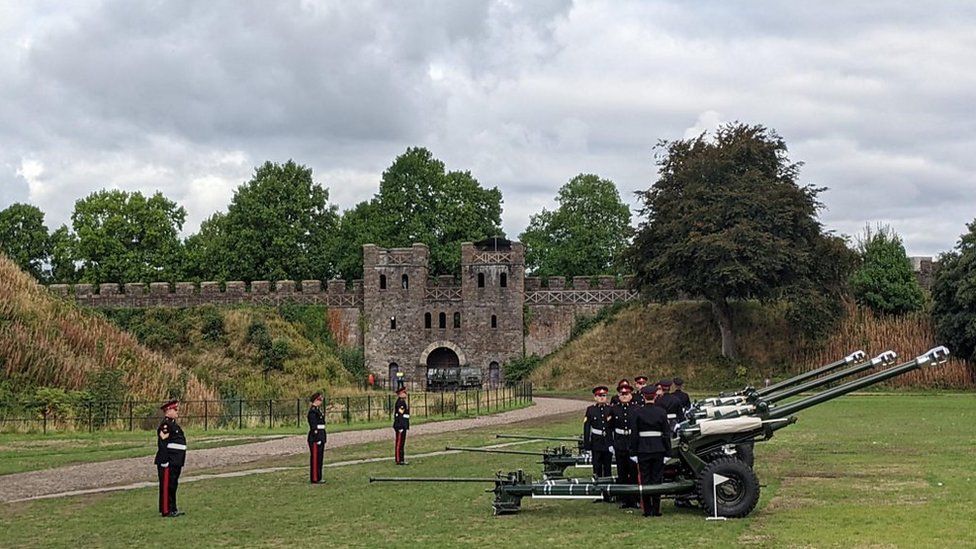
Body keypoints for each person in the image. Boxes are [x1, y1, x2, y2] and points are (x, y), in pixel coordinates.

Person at [630, 386, 671, 517]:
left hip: (643, 449)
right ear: (655, 396)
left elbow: (634, 435)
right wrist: (668, 452)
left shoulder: (637, 412)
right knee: (657, 479)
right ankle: (656, 509)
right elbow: (666, 434)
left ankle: (647, 510)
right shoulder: (661, 412)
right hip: (659, 448)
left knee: (645, 479)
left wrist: (633, 452)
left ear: (643, 397)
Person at [607, 384, 639, 509]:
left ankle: (635, 499)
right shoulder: (614, 409)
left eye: (626, 394)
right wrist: (610, 444)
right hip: (620, 443)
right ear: (619, 396)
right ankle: (625, 499)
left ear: (631, 395)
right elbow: (609, 429)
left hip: (631, 442)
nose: (624, 396)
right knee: (622, 472)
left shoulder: (636, 408)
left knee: (633, 472)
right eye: (622, 394)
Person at [154, 399, 187, 518]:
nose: (177, 411)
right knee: (167, 485)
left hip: (176, 461)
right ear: (168, 411)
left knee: (173, 485)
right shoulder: (166, 425)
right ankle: (166, 510)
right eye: (175, 409)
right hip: (168, 461)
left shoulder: (173, 424)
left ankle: (173, 508)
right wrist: (164, 461)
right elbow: (162, 444)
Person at [583, 385, 613, 502]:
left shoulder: (610, 409)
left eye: (604, 396)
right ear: (595, 397)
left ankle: (608, 493)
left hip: (607, 442)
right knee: (596, 468)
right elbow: (586, 428)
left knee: (608, 468)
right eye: (599, 396)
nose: (602, 398)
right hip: (596, 442)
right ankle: (598, 493)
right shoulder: (591, 410)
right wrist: (587, 445)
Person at [307, 392, 327, 483]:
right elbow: (314, 426)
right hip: (316, 437)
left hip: (321, 435)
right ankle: (315, 478)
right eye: (319, 400)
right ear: (316, 400)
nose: (321, 401)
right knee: (315, 458)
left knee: (320, 458)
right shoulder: (312, 412)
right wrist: (317, 438)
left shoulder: (317, 410)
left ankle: (319, 476)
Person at [393, 386, 410, 465]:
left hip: (403, 425)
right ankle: (399, 459)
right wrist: (400, 426)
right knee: (399, 443)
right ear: (400, 394)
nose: (406, 394)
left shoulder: (403, 402)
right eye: (404, 393)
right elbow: (400, 415)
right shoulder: (400, 402)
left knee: (402, 443)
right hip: (400, 426)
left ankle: (401, 459)